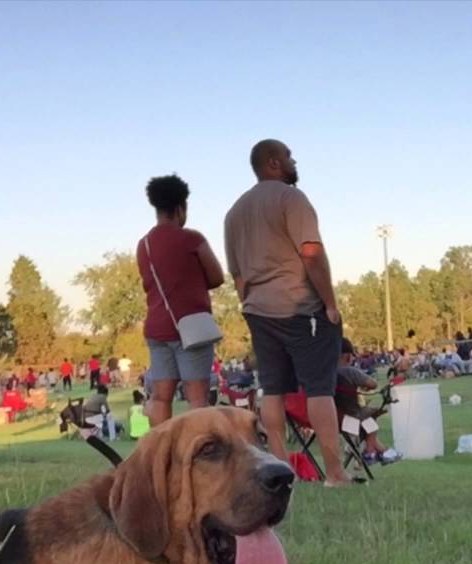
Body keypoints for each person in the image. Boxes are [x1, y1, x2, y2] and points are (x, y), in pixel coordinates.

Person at [223, 139, 355, 487]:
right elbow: (310, 252)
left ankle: (281, 473)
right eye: (288, 156)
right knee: (318, 389)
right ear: (273, 163)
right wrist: (329, 303)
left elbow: (236, 275)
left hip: (258, 310)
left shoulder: (234, 212)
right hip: (301, 307)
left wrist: (250, 303)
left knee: (273, 389)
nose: (294, 161)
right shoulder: (291, 198)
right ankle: (335, 473)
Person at [138, 174, 225, 426]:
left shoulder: (143, 245)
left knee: (160, 397)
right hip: (191, 328)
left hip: (156, 328)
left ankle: (159, 454)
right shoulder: (192, 239)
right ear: (180, 208)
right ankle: (198, 452)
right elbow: (217, 277)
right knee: (197, 399)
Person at [336, 338, 401, 464]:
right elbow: (373, 384)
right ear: (347, 356)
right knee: (374, 413)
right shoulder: (350, 371)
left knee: (368, 423)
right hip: (350, 418)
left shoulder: (325, 373)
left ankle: (381, 452)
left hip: (333, 419)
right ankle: (370, 453)